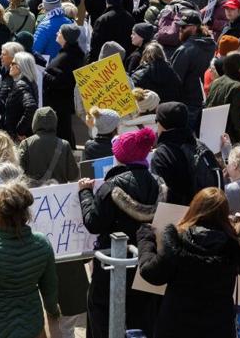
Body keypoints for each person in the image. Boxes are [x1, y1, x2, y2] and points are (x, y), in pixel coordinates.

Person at [135, 186, 240, 338]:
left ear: (194, 208)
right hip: (218, 329)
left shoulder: (176, 242)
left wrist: (145, 239)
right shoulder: (233, 245)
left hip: (175, 327)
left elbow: (151, 273)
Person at [78, 125, 161, 338]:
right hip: (145, 260)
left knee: (102, 313)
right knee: (142, 317)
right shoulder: (158, 185)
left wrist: (85, 194)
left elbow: (93, 223)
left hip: (111, 263)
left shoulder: (110, 186)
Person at [0, 180, 59, 338]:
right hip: (31, 326)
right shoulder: (42, 243)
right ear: (26, 212)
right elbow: (50, 289)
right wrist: (53, 312)